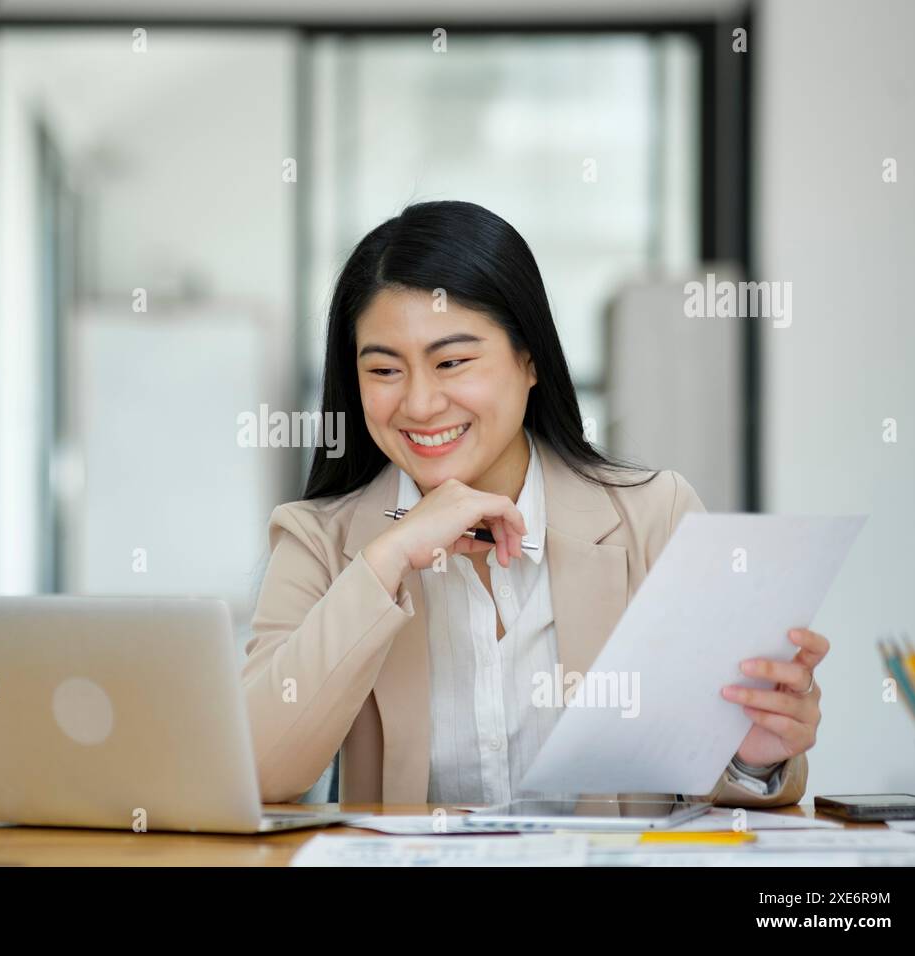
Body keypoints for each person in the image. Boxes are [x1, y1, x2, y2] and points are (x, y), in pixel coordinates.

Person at [242, 200, 821, 806]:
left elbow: (720, 792)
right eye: (385, 370)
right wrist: (386, 559)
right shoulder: (317, 539)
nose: (418, 403)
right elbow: (257, 770)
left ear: (529, 359)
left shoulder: (656, 517)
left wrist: (752, 755)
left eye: (452, 362)